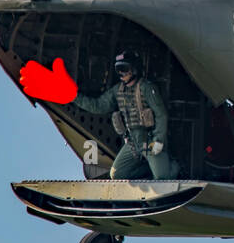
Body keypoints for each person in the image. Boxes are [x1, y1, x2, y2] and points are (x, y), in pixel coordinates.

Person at [20, 49, 176, 179]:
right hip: (133, 143)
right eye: (119, 70)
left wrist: (158, 140)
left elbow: (161, 115)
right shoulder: (117, 91)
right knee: (117, 175)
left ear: (134, 69)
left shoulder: (147, 88)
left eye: (125, 69)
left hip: (149, 141)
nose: (121, 73)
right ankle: (148, 174)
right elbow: (98, 106)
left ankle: (173, 168)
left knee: (163, 179)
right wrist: (73, 97)